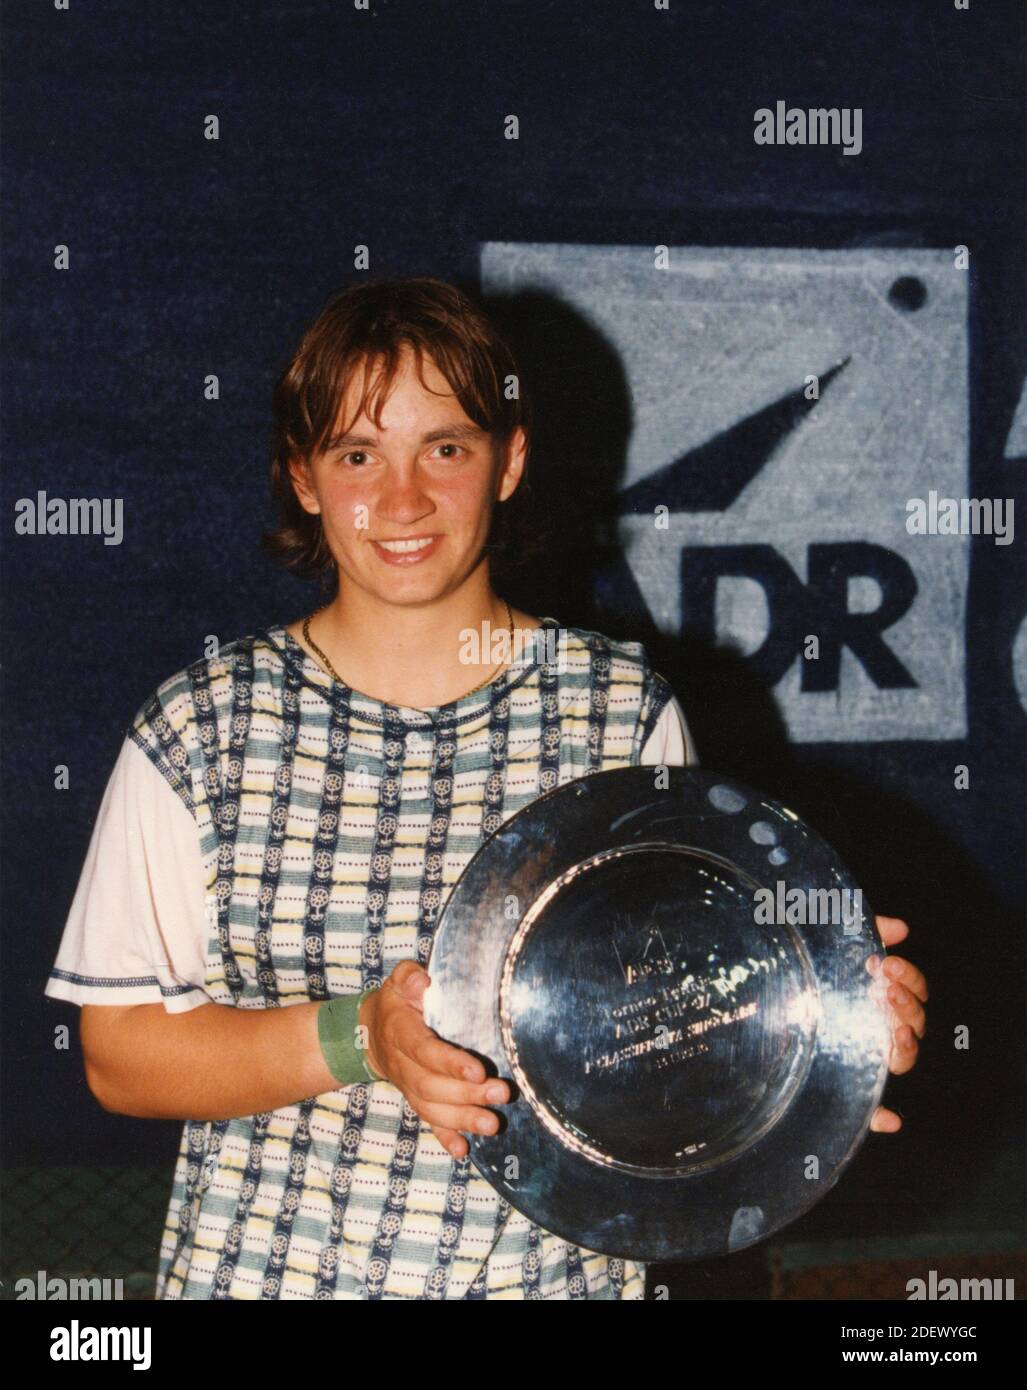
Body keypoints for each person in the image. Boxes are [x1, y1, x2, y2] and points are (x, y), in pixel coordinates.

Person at [45, 277, 928, 1300]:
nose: (403, 498)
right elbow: (120, 1055)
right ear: (303, 476)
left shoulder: (619, 711)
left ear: (509, 461)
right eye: (357, 454)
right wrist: (357, 1037)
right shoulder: (200, 725)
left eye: (447, 448)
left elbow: (678, 1009)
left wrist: (820, 1041)